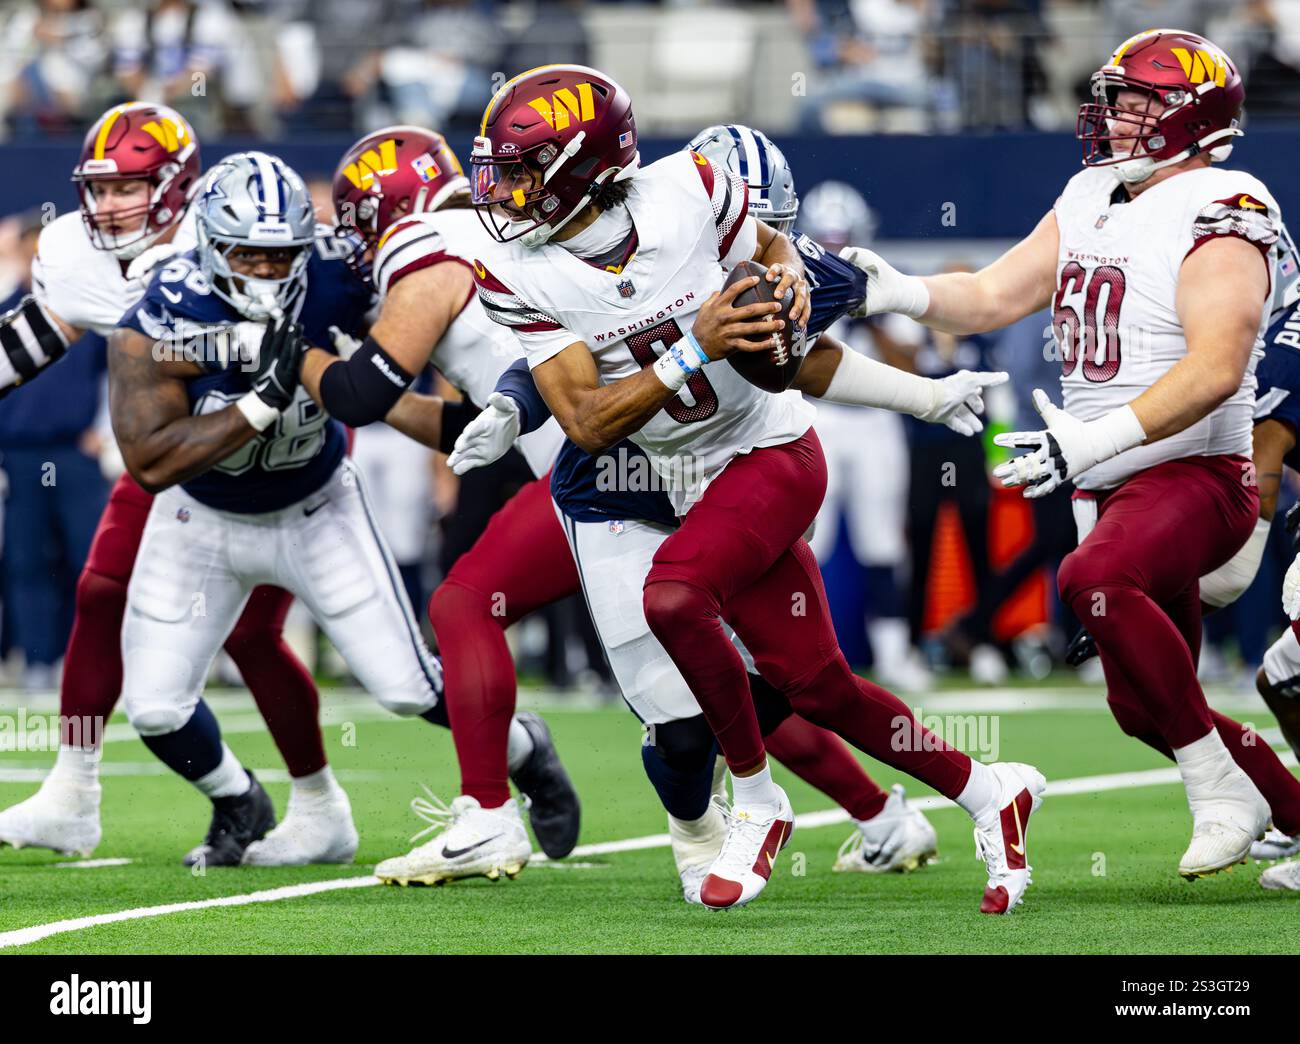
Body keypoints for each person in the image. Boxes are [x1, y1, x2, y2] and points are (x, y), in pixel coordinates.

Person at [460, 65, 1044, 912]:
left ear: (580, 168)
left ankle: (759, 800)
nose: (502, 192)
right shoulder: (515, 270)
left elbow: (790, 323)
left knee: (675, 597)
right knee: (818, 687)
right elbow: (586, 423)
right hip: (680, 475)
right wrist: (689, 350)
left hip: (771, 454)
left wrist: (802, 297)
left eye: (520, 170)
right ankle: (991, 791)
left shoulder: (694, 190)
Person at [380, 123, 943, 901]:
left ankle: (497, 808)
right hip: (632, 463)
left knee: (776, 682)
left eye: (764, 229)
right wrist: (512, 408)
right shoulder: (544, 251)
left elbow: (809, 359)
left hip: (713, 469)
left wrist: (925, 391)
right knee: (734, 691)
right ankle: (874, 815)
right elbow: (552, 372)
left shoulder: (754, 249)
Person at [847, 29, 1300, 881]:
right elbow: (988, 296)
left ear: (1192, 118)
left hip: (1197, 473)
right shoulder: (1094, 190)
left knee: (1092, 580)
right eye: (1115, 100)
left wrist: (1084, 441)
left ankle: (1221, 791)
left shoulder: (1227, 205)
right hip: (1110, 480)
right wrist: (889, 288)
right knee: (1140, 707)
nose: (1115, 118)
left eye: (1138, 104)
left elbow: (1216, 368)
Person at [0, 104, 347, 867]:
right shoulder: (73, 249)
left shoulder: (227, 235)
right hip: (170, 463)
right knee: (98, 594)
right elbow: (44, 329)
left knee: (252, 636)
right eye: (100, 187)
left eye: (131, 187)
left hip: (262, 463)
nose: (110, 204)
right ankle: (78, 789)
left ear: (177, 187)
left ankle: (321, 802)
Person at [0, 215, 107, 691]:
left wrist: (107, 430)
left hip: (74, 453)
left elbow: (124, 374)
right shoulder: (6, 312)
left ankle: (82, 662)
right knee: (27, 561)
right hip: (20, 456)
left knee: (89, 562)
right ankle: (39, 662)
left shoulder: (85, 314)